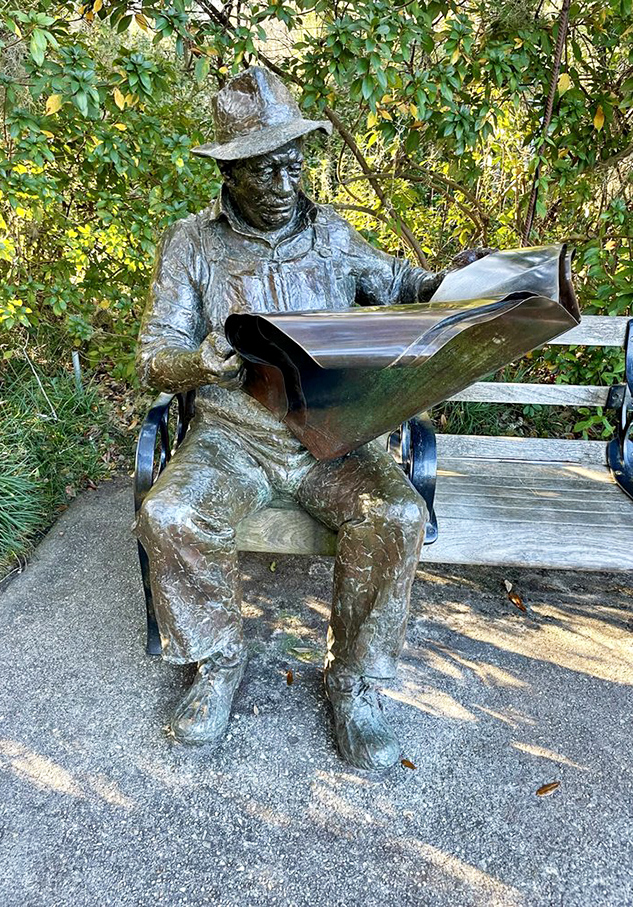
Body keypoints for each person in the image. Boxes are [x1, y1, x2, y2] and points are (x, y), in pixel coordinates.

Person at [135, 67, 447, 771]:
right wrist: (197, 366)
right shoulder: (192, 242)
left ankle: (354, 682)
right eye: (266, 169)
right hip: (232, 436)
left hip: (329, 437)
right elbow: (156, 354)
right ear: (231, 171)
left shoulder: (332, 233)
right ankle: (218, 661)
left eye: (294, 165)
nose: (284, 183)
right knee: (171, 514)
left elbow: (402, 284)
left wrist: (458, 280)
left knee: (395, 514)